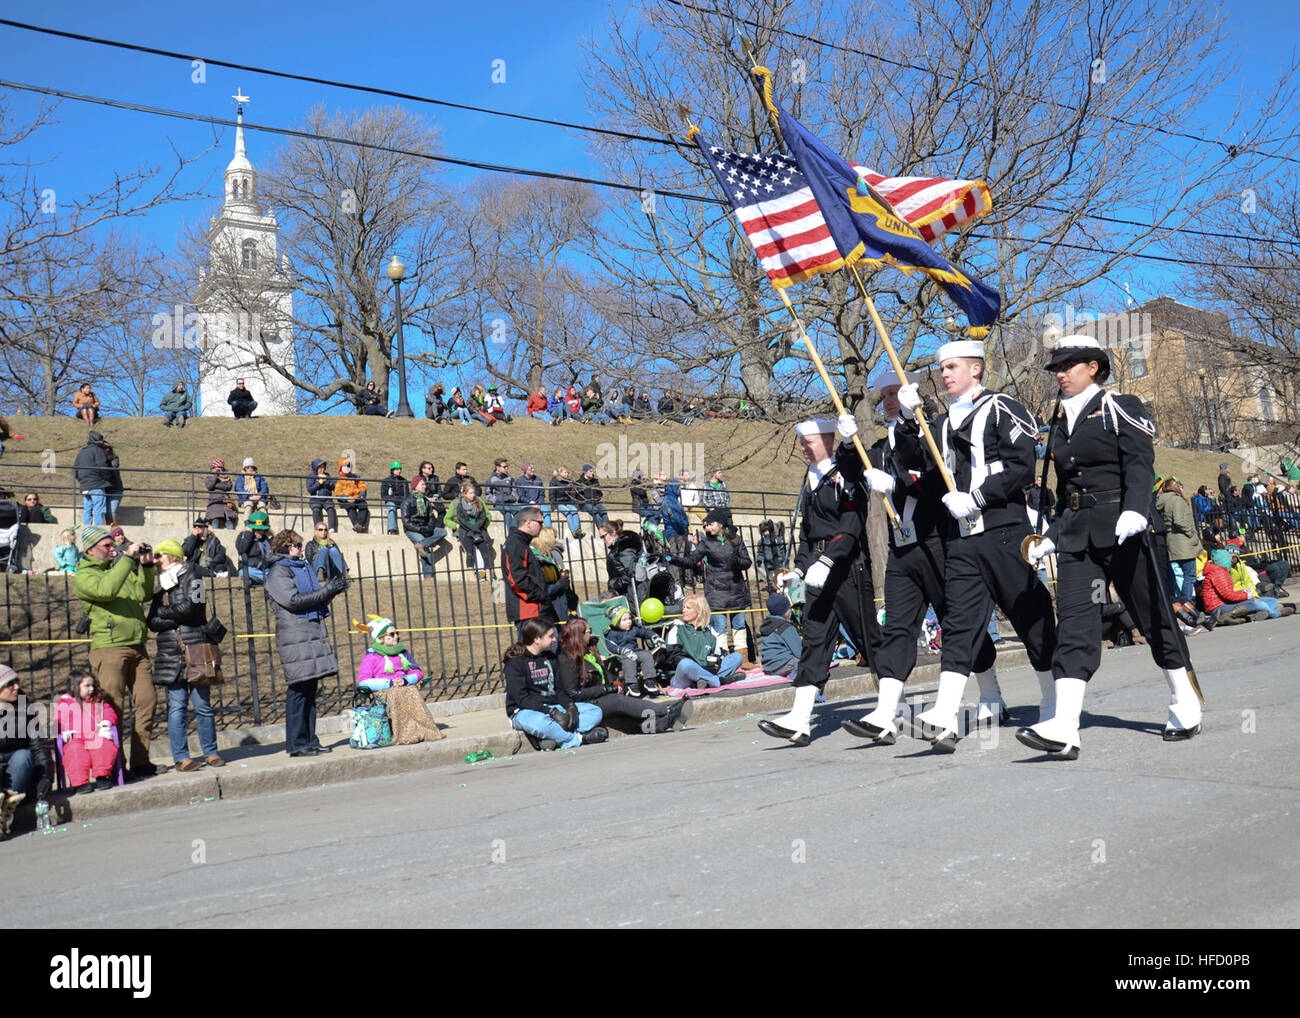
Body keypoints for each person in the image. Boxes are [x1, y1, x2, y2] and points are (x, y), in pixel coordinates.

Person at [1016, 336, 1198, 760]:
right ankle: (1064, 725)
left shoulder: (1120, 406)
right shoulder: (1059, 418)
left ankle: (1184, 701)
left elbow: (1139, 463)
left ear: (1094, 367)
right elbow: (1067, 489)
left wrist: (1137, 509)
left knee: (1152, 616)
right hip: (1078, 534)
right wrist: (1051, 535)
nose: (1060, 373)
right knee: (1076, 624)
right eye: (1057, 368)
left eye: (1069, 366)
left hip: (1125, 528)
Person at [879, 341, 1057, 754]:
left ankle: (1051, 700)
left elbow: (1020, 468)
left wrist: (978, 497)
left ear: (976, 369)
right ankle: (943, 712)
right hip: (960, 537)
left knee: (1030, 615)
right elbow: (917, 463)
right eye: (941, 368)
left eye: (953, 367)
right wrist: (907, 420)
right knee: (959, 621)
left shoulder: (1002, 407)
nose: (944, 374)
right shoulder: (939, 422)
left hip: (1004, 529)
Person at [844, 369, 1002, 745]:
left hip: (937, 542)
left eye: (894, 393)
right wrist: (850, 445)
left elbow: (936, 474)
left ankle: (992, 693)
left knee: (956, 621)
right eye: (883, 396)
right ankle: (885, 712)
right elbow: (851, 471)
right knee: (898, 627)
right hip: (903, 548)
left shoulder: (933, 432)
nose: (888, 401)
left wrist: (899, 478)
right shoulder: (882, 445)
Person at [758, 417, 882, 747]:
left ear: (828, 441)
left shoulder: (847, 476)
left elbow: (852, 524)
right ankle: (800, 719)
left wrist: (828, 560)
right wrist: (799, 568)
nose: (802, 448)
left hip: (847, 569)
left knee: (869, 641)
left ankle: (889, 708)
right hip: (817, 573)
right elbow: (807, 536)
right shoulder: (810, 480)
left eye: (808, 442)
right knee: (814, 639)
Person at [72, 526, 159, 778]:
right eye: (107, 546)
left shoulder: (119, 570)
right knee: (114, 708)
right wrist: (127, 560)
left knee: (147, 702)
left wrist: (145, 565)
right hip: (109, 648)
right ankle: (115, 765)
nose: (113, 549)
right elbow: (106, 590)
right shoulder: (85, 576)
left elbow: (142, 593)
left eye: (113, 545)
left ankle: (141, 762)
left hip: (137, 645)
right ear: (90, 550)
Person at [264, 529, 349, 756]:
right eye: (297, 546)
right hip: (295, 636)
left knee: (311, 690)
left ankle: (310, 740)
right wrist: (325, 591)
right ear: (285, 549)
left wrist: (332, 591)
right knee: (299, 690)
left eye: (301, 546)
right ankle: (296, 743)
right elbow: (292, 601)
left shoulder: (301, 568)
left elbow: (313, 598)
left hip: (310, 632)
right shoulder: (277, 572)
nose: (302, 550)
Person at [147, 539, 225, 771]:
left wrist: (165, 613)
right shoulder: (158, 585)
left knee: (202, 705)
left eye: (159, 555)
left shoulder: (194, 577)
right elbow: (151, 621)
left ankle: (210, 752)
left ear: (172, 555)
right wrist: (173, 614)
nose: (156, 560)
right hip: (170, 651)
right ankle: (181, 757)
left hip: (197, 647)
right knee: (177, 706)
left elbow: (195, 608)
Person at [556, 619, 689, 734]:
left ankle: (665, 722)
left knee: (624, 717)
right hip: (585, 703)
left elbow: (606, 674)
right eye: (588, 631)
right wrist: (608, 689)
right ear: (579, 635)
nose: (591, 633)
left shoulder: (589, 652)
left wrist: (616, 684)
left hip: (600, 696)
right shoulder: (567, 659)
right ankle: (667, 711)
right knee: (618, 701)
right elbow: (574, 693)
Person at [503, 619, 607, 749]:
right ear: (537, 639)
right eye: (550, 636)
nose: (554, 639)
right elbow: (522, 699)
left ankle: (552, 739)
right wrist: (550, 712)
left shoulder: (551, 658)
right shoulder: (515, 663)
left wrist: (570, 707)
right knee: (539, 723)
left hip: (555, 707)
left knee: (595, 712)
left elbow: (560, 690)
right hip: (527, 711)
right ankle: (580, 738)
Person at [678, 508, 758, 670]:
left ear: (720, 524)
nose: (707, 528)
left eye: (710, 524)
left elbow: (747, 562)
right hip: (716, 591)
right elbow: (692, 560)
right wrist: (673, 559)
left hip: (736, 589)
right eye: (706, 525)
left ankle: (743, 659)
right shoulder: (706, 543)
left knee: (739, 625)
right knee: (720, 627)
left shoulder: (736, 540)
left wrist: (737, 562)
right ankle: (724, 660)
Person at [355, 618, 442, 744]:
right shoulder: (371, 656)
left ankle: (424, 730)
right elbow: (363, 681)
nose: (396, 636)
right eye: (391, 634)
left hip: (403, 686)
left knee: (409, 690)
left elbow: (417, 672)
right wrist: (388, 683)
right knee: (396, 693)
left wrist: (405, 680)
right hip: (383, 691)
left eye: (397, 633)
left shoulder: (403, 653)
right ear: (380, 638)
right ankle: (404, 734)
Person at [1, 665, 49, 837]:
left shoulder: (24, 710)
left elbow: (39, 747)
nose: (16, 687)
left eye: (17, 682)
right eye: (9, 684)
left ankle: (5, 810)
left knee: (23, 756)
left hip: (16, 776)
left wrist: (45, 776)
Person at [55, 669, 120, 793]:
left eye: (92, 685)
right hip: (75, 737)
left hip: (95, 734)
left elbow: (109, 711)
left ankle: (102, 776)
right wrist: (63, 731)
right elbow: (58, 719)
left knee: (104, 745)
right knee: (75, 752)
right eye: (87, 686)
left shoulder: (98, 700)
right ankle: (80, 782)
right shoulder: (64, 703)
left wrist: (106, 723)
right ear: (73, 687)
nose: (91, 689)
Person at [664, 594, 742, 689]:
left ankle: (704, 681)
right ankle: (719, 681)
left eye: (688, 608)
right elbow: (673, 656)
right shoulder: (677, 628)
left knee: (737, 657)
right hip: (684, 676)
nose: (683, 610)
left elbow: (718, 654)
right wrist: (698, 667)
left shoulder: (710, 631)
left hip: (707, 670)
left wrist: (717, 661)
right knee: (685, 664)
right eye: (683, 607)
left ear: (699, 611)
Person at [1156, 479, 1201, 618]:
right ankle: (1187, 604)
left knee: (1171, 576)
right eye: (1179, 485)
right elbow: (1180, 521)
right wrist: (1191, 533)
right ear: (1175, 488)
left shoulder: (1162, 500)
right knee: (1190, 575)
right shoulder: (1176, 500)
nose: (1181, 487)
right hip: (1183, 542)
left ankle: (1175, 603)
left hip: (1172, 541)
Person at [503, 507, 551, 633]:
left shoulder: (522, 542)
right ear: (528, 523)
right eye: (540, 522)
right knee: (531, 651)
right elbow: (517, 580)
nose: (542, 526)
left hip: (535, 610)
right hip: (528, 612)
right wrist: (539, 595)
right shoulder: (515, 543)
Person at [603, 603, 664, 696]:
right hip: (622, 654)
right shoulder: (612, 633)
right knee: (629, 660)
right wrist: (623, 651)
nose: (629, 622)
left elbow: (645, 632)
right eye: (624, 620)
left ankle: (649, 680)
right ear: (616, 622)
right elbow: (611, 646)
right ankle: (632, 684)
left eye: (629, 618)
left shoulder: (633, 629)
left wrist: (654, 636)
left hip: (636, 652)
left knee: (647, 655)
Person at [402, 475, 450, 577]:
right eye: (422, 484)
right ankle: (428, 576)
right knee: (425, 550)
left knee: (442, 532)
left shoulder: (426, 501)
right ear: (415, 486)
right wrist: (420, 529)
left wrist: (429, 528)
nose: (425, 486)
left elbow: (431, 517)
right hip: (412, 529)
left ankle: (422, 543)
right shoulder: (407, 501)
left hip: (425, 528)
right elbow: (406, 521)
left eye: (424, 484)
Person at [445, 481, 494, 580]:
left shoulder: (479, 502)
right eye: (470, 493)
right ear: (464, 492)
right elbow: (458, 520)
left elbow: (485, 516)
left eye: (473, 492)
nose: (473, 495)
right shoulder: (457, 504)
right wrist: (456, 526)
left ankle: (487, 575)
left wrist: (478, 527)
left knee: (484, 553)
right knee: (470, 553)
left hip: (479, 531)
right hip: (466, 532)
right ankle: (471, 576)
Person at [531, 526, 576, 623]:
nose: (554, 542)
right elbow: (540, 590)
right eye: (552, 539)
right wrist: (559, 585)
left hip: (560, 607)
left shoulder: (551, 556)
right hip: (548, 611)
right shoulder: (536, 560)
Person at [73, 430, 113, 526]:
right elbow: (103, 467)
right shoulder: (98, 451)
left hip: (84, 486)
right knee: (99, 508)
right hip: (97, 484)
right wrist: (107, 479)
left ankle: (86, 528)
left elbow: (75, 470)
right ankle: (99, 529)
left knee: (87, 509)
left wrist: (82, 481)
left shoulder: (81, 453)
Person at [758, 592, 801, 678]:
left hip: (769, 667)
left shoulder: (767, 625)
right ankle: (795, 674)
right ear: (785, 611)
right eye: (789, 607)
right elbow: (799, 652)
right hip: (784, 664)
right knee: (809, 663)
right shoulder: (786, 627)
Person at [235, 510, 274, 584]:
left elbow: (277, 553)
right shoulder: (244, 536)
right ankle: (270, 580)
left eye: (261, 529)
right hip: (252, 569)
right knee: (245, 572)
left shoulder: (267, 538)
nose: (259, 532)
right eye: (256, 529)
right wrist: (248, 534)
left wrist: (271, 539)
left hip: (267, 570)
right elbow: (242, 549)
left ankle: (263, 579)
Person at [334, 457, 371, 533]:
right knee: (350, 507)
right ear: (340, 467)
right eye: (345, 466)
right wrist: (346, 498)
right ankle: (356, 524)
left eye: (349, 466)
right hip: (345, 500)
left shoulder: (356, 477)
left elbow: (362, 486)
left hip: (356, 498)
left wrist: (361, 496)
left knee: (363, 505)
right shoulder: (339, 480)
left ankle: (360, 524)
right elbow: (338, 492)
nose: (347, 468)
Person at [483, 457, 520, 530]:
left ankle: (513, 531)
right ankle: (511, 534)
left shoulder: (510, 478)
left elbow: (514, 490)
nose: (506, 468)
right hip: (499, 503)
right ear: (497, 467)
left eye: (507, 466)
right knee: (507, 514)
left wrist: (514, 497)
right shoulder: (491, 479)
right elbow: (487, 494)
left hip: (510, 502)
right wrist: (496, 500)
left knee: (519, 512)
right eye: (504, 467)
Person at [204, 460, 239, 530]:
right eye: (218, 467)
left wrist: (218, 484)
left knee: (229, 519)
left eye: (221, 467)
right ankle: (215, 533)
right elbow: (210, 486)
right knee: (215, 518)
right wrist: (216, 475)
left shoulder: (226, 477)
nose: (220, 469)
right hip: (214, 500)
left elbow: (228, 486)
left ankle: (231, 533)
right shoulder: (209, 477)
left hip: (225, 500)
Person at [549, 467, 583, 538]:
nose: (567, 474)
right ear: (560, 473)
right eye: (565, 472)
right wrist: (554, 508)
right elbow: (552, 495)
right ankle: (574, 533)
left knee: (574, 511)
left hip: (568, 502)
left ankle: (577, 530)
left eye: (567, 472)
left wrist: (578, 508)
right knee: (568, 512)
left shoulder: (569, 482)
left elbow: (573, 496)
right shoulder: (554, 481)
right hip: (558, 503)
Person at [515, 461, 551, 527]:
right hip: (526, 504)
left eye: (533, 468)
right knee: (528, 514)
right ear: (525, 471)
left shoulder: (538, 479)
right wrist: (531, 502)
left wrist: (539, 503)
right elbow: (521, 496)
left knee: (546, 510)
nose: (533, 470)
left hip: (539, 504)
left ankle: (549, 530)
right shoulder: (520, 481)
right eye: (530, 469)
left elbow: (542, 493)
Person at [307, 459, 338, 532]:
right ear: (316, 468)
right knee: (316, 510)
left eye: (323, 467)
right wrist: (319, 482)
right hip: (315, 499)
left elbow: (333, 486)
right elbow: (310, 489)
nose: (322, 469)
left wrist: (326, 481)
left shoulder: (327, 475)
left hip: (326, 498)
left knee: (331, 509)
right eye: (320, 468)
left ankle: (332, 528)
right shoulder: (311, 476)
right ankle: (318, 529)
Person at [574, 465, 609, 530]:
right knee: (595, 513)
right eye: (590, 471)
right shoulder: (579, 483)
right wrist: (578, 509)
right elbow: (576, 497)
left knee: (603, 512)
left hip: (595, 503)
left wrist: (596, 498)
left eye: (592, 471)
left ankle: (607, 530)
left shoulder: (595, 481)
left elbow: (600, 493)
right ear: (585, 472)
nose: (592, 473)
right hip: (585, 504)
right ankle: (602, 531)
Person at [380, 461, 409, 536]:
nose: (399, 471)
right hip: (391, 501)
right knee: (392, 508)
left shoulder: (404, 481)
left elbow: (407, 495)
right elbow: (383, 495)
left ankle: (407, 528)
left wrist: (402, 500)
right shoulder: (386, 481)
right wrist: (391, 499)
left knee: (406, 509)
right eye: (397, 469)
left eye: (400, 469)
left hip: (401, 501)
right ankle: (392, 529)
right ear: (392, 470)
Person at [102, 441, 124, 525]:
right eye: (104, 448)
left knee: (112, 511)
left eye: (109, 448)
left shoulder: (114, 458)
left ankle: (114, 529)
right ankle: (108, 528)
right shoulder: (99, 459)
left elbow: (113, 468)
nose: (107, 450)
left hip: (116, 489)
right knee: (106, 512)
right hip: (105, 489)